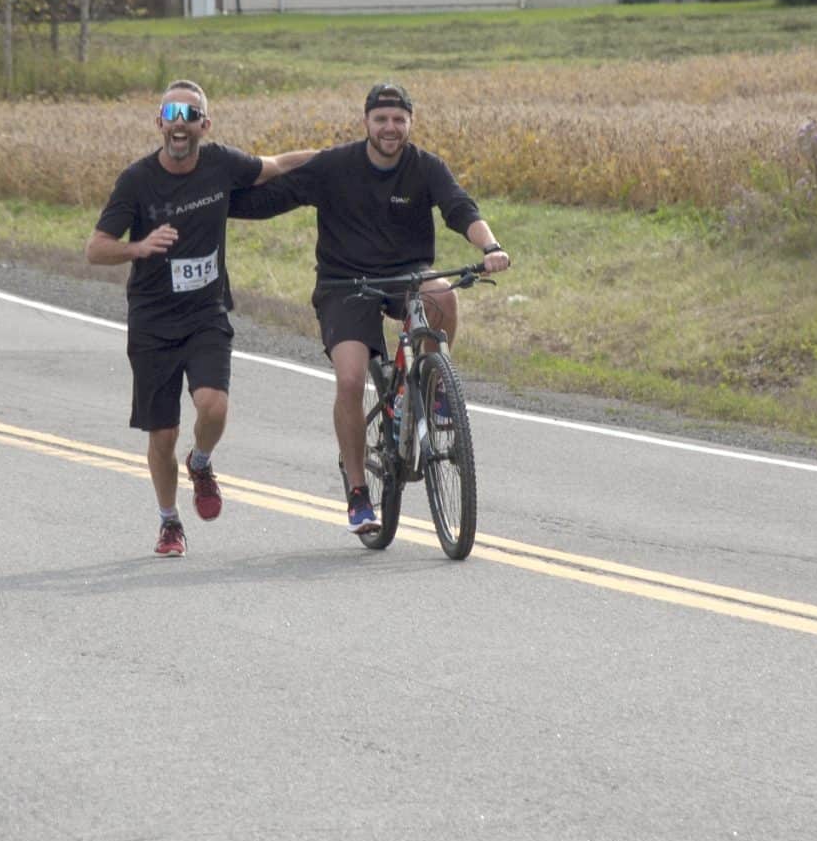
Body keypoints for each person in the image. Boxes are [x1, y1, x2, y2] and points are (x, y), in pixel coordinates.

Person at [231, 81, 508, 534]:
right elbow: (273, 199)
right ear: (366, 123)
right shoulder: (336, 165)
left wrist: (491, 245)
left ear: (410, 123)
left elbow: (460, 208)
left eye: (399, 119)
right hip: (345, 283)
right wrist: (210, 203)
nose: (390, 127)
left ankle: (435, 386)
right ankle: (359, 493)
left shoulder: (425, 167)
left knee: (443, 294)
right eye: (381, 119)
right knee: (351, 379)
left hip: (407, 277)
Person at [87, 80, 315, 557]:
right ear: (159, 123)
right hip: (151, 320)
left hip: (205, 311)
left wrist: (336, 158)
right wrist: (139, 247)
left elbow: (274, 167)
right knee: (162, 433)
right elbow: (95, 249)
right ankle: (169, 522)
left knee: (213, 406)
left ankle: (203, 462)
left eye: (190, 115)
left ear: (204, 126)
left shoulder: (221, 163)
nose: (180, 122)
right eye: (172, 113)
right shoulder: (137, 180)